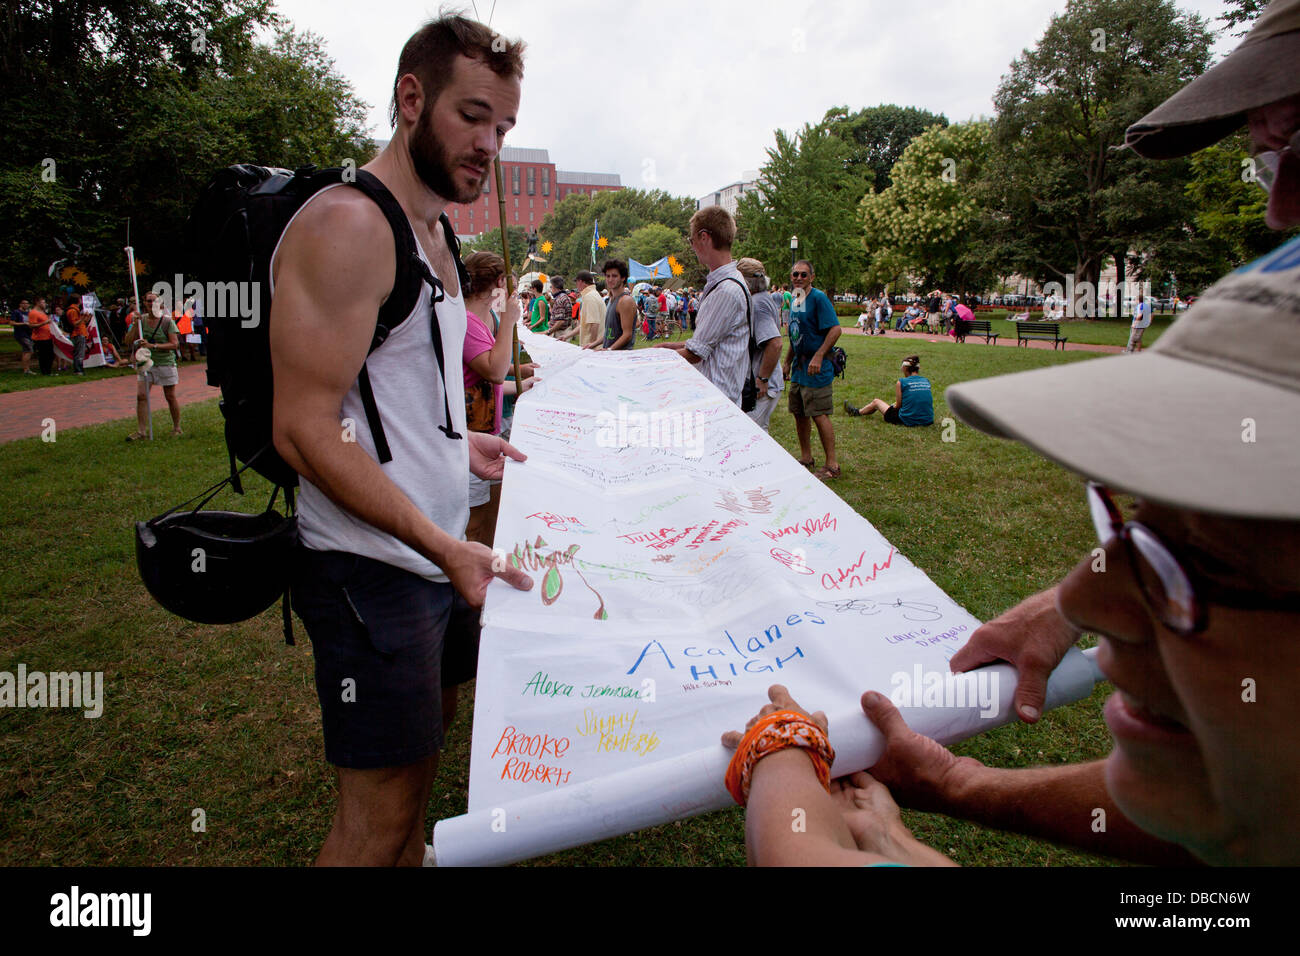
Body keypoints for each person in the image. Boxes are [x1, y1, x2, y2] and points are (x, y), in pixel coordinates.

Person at [267, 13, 534, 867]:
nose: (489, 145)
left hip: (434, 557)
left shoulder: (440, 231)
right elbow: (303, 427)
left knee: (416, 785)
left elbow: (393, 398)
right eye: (472, 116)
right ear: (411, 99)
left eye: (504, 127)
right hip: (371, 568)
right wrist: (442, 544)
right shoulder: (349, 225)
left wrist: (458, 451)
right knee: (376, 820)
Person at [461, 251, 532, 548]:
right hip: (471, 439)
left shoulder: (482, 318)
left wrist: (524, 381)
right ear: (500, 282)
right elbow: (494, 370)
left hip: (487, 433)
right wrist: (508, 321)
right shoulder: (466, 321)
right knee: (474, 524)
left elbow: (494, 379)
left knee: (494, 513)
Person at [654, 205, 750, 405]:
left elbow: (695, 354)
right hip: (714, 396)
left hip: (717, 400)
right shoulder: (725, 282)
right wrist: (671, 346)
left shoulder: (726, 290)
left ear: (704, 237)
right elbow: (710, 341)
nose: (692, 246)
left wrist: (653, 362)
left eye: (692, 240)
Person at [783, 259, 841, 480]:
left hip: (817, 368)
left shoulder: (818, 298)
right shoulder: (797, 297)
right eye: (795, 274)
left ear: (812, 277)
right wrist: (787, 362)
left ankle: (832, 465)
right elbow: (796, 333)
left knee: (819, 414)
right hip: (799, 368)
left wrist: (819, 355)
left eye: (803, 274)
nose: (798, 278)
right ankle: (806, 458)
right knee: (799, 413)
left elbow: (835, 329)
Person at [736, 257, 784, 431]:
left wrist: (762, 379)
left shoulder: (758, 303)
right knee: (758, 434)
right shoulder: (762, 298)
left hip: (764, 385)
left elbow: (775, 343)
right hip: (765, 382)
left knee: (748, 433)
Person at [126, 291, 182, 438]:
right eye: (149, 301)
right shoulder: (141, 320)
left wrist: (153, 346)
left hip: (165, 362)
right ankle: (141, 431)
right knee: (141, 396)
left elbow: (174, 344)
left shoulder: (167, 322)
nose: (151, 304)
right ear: (144, 303)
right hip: (146, 363)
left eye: (154, 301)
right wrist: (135, 324)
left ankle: (177, 427)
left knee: (170, 396)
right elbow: (128, 340)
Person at [843, 354, 933, 425]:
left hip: (907, 420)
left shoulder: (902, 382)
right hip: (927, 420)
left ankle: (856, 412)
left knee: (876, 402)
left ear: (905, 368)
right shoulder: (926, 381)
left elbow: (898, 406)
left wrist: (892, 407)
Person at [593, 258, 636, 350]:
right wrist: (592, 344)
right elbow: (609, 335)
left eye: (614, 276)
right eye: (607, 276)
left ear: (623, 278)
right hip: (610, 355)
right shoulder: (611, 299)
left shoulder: (625, 301)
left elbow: (627, 334)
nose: (610, 279)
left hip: (620, 356)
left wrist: (609, 349)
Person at [575, 270, 603, 347]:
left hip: (592, 347)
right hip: (597, 345)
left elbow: (594, 324)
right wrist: (567, 335)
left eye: (576, 282)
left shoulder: (589, 297)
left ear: (581, 282)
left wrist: (591, 346)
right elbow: (584, 325)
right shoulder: (594, 294)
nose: (576, 285)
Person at [27, 296, 54, 375]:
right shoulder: (33, 313)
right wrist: (44, 323)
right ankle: (45, 371)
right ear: (38, 303)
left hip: (47, 336)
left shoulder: (43, 312)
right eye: (43, 302)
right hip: (40, 338)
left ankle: (48, 371)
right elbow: (32, 325)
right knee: (44, 355)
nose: (45, 304)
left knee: (50, 355)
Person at [10, 298, 34, 374]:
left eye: (27, 303)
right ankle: (26, 369)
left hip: (28, 334)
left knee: (25, 351)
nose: (25, 305)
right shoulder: (16, 312)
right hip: (21, 334)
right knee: (29, 350)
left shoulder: (28, 313)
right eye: (24, 303)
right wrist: (24, 323)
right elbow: (12, 323)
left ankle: (26, 369)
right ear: (20, 304)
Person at [66, 296, 87, 375]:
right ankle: (78, 370)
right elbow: (75, 323)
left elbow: (82, 322)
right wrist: (82, 318)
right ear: (77, 300)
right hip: (78, 333)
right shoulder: (72, 310)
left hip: (81, 332)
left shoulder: (76, 310)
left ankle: (79, 369)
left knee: (80, 352)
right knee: (79, 353)